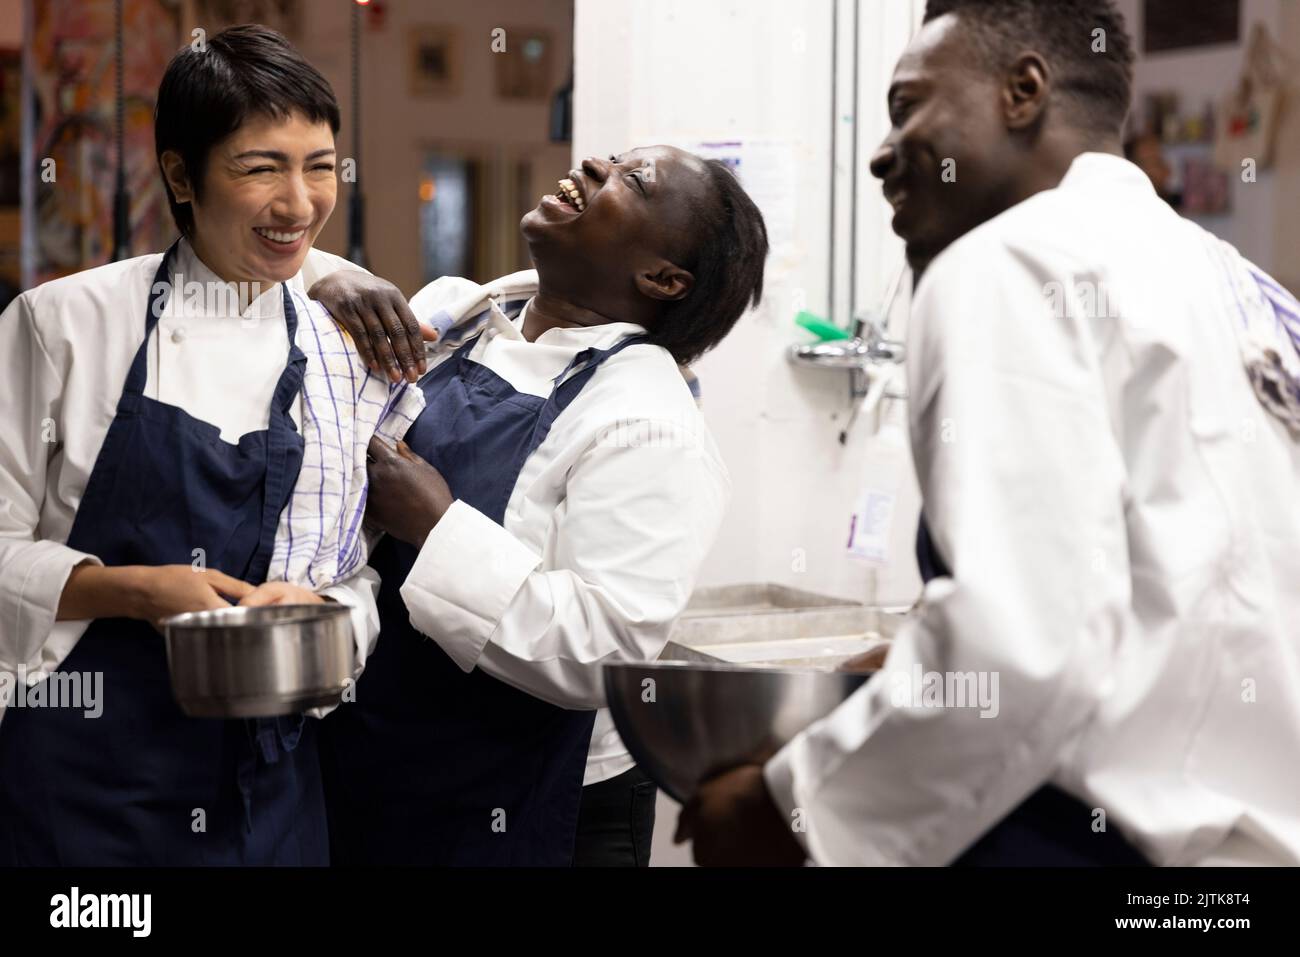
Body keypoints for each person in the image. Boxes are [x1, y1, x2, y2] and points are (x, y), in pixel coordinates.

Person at [679, 0, 1300, 866]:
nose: (881, 153)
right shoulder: (1248, 293)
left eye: (908, 108)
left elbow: (1023, 650)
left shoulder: (1010, 260)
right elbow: (1179, 588)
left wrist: (784, 807)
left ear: (1024, 90)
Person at [0, 25, 411, 865]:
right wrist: (138, 591)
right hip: (91, 773)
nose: (299, 203)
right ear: (181, 176)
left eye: (321, 165)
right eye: (261, 167)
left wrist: (323, 617)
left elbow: (358, 569)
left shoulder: (349, 349)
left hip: (274, 785)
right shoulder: (66, 324)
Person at [315, 146, 769, 866]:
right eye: (614, 159)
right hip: (384, 761)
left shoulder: (648, 421)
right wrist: (328, 289)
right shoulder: (454, 315)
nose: (593, 165)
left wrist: (436, 527)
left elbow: (604, 651)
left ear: (662, 277)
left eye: (634, 181)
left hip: (528, 801)